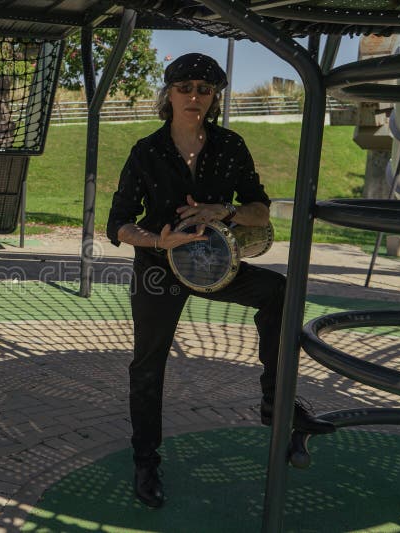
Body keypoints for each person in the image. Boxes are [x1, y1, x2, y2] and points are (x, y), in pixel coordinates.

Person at [106, 53, 334, 509]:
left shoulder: (230, 145)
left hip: (216, 264)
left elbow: (260, 211)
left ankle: (275, 403)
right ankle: (146, 460)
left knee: (278, 292)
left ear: (214, 97)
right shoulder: (146, 151)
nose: (194, 96)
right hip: (159, 268)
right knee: (147, 365)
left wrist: (224, 210)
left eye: (204, 90)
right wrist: (158, 241)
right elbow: (118, 225)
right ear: (169, 94)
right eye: (184, 88)